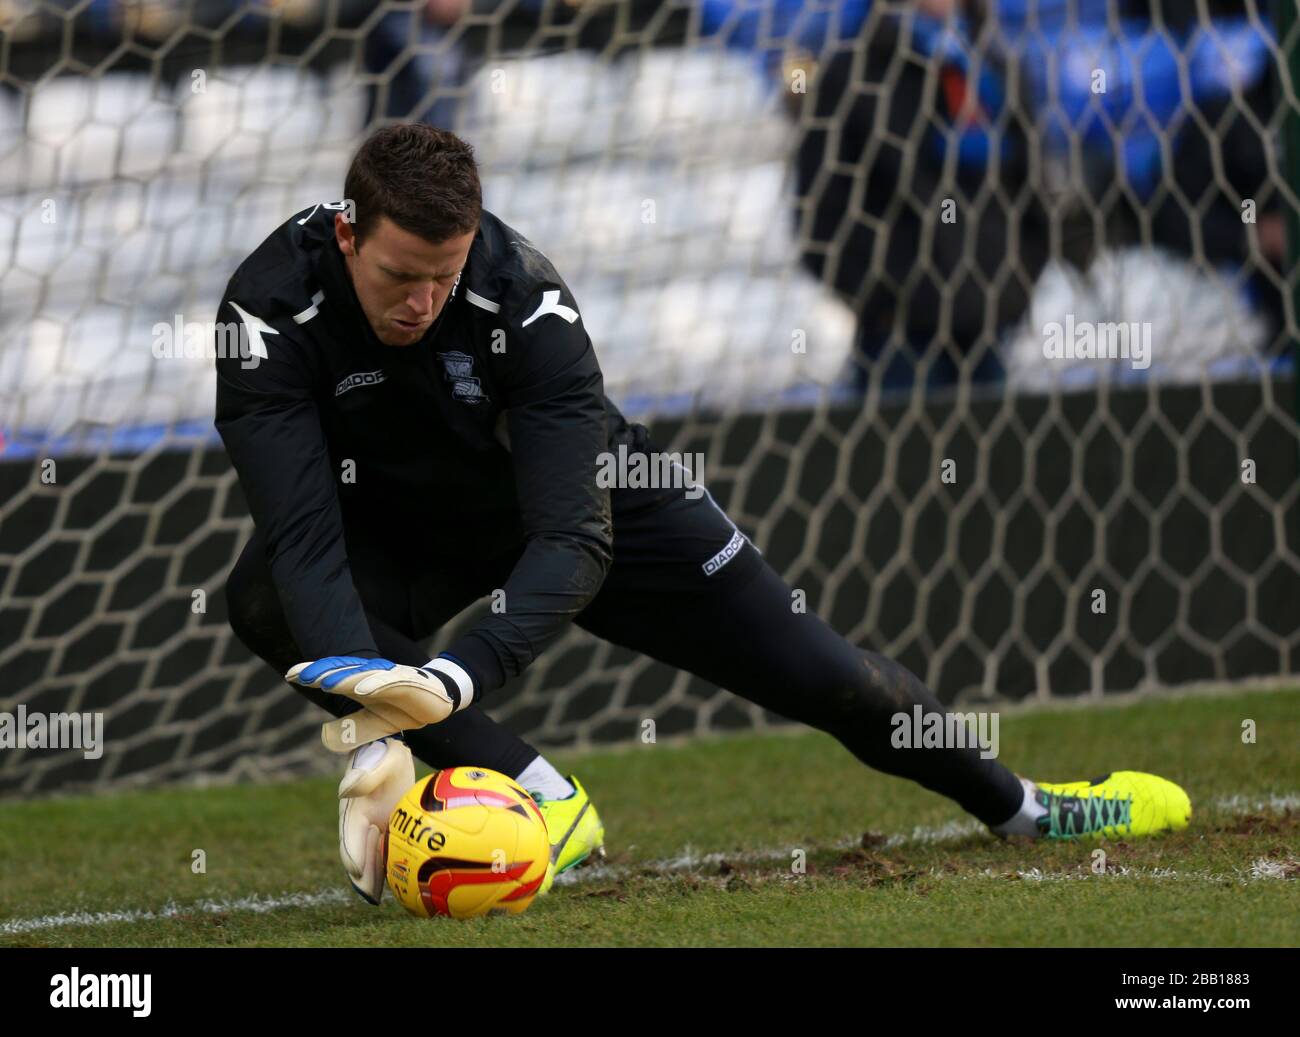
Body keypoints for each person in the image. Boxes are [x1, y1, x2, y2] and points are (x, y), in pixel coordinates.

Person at [216, 124, 1189, 905]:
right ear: (348, 236)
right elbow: (303, 537)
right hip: (411, 524)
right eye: (399, 277)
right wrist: (382, 731)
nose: (424, 301)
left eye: (445, 275)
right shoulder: (265, 309)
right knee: (266, 597)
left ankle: (1024, 808)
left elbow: (572, 539)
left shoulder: (525, 299)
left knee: (826, 675)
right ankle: (548, 798)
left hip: (595, 501)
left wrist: (452, 676)